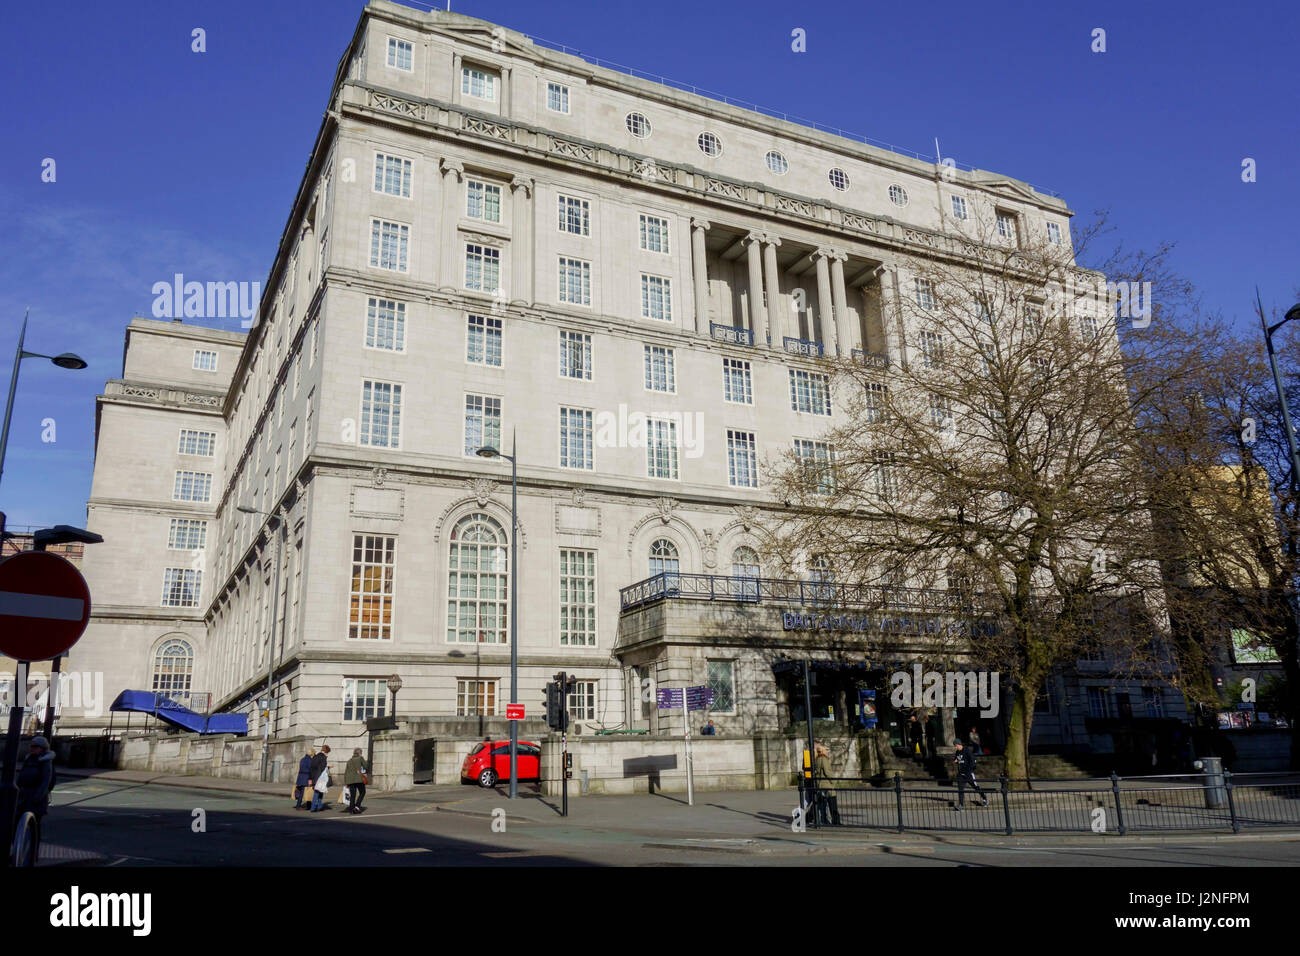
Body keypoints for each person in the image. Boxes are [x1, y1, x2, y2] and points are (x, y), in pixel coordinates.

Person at [16, 736, 55, 828]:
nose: (32, 748)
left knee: (34, 823)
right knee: (18, 821)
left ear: (42, 748)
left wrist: (37, 798)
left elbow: (46, 781)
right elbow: (21, 776)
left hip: (35, 798)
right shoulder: (29, 759)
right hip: (23, 796)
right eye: (31, 746)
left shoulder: (45, 762)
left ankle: (33, 841)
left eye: (35, 746)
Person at [952, 741, 988, 810]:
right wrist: (955, 760)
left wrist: (969, 770)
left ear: (959, 744)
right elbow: (956, 759)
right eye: (955, 746)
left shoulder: (967, 750)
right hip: (961, 774)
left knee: (975, 786)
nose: (955, 747)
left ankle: (984, 798)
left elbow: (973, 761)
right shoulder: (957, 752)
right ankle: (961, 805)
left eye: (956, 746)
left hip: (968, 774)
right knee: (960, 790)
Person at [813, 742, 841, 826]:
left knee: (822, 805)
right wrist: (833, 781)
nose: (827, 752)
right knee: (832, 804)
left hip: (821, 785)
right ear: (823, 751)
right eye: (826, 750)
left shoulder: (817, 759)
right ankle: (835, 821)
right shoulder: (824, 759)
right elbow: (827, 772)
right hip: (827, 785)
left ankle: (824, 820)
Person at [344, 748, 370, 814]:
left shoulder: (349, 761)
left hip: (350, 780)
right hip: (358, 779)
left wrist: (346, 782)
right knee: (362, 792)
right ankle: (357, 806)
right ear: (360, 753)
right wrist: (363, 759)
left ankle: (351, 809)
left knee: (353, 795)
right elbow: (366, 766)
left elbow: (346, 772)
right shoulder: (360, 758)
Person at [309, 745, 331, 812]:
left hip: (314, 777)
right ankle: (314, 807)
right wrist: (328, 767)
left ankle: (319, 806)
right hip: (320, 778)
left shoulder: (315, 757)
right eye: (327, 752)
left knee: (318, 792)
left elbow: (312, 768)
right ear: (326, 751)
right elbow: (323, 768)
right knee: (318, 792)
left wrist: (310, 778)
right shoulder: (323, 757)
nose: (327, 753)